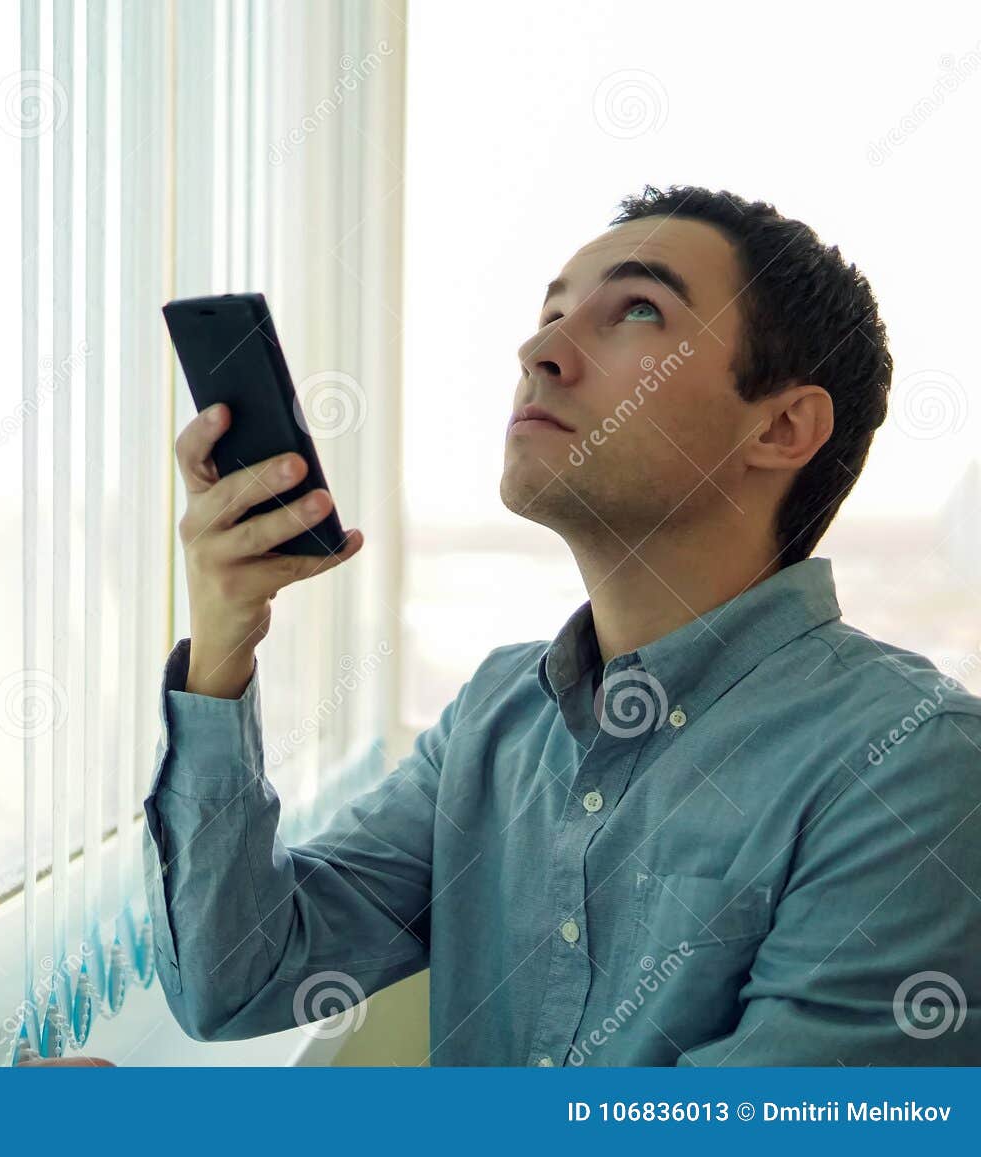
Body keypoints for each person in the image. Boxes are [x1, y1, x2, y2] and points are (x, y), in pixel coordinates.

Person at [145, 184, 981, 1065]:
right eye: (551, 311)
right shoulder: (496, 717)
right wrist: (223, 644)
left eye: (638, 311)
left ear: (780, 426)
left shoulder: (917, 765)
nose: (539, 348)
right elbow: (235, 978)